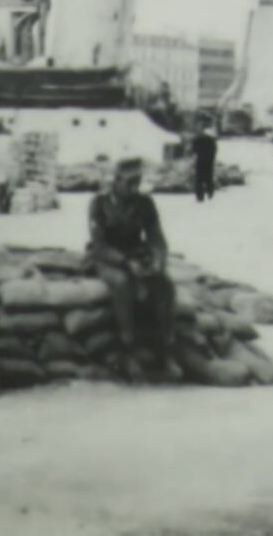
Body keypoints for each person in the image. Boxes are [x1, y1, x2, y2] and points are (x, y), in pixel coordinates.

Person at [85, 157, 178, 382]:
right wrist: (124, 261)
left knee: (164, 285)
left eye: (137, 181)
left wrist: (158, 260)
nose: (134, 187)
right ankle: (127, 347)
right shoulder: (99, 203)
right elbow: (99, 243)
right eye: (129, 182)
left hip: (137, 255)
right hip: (107, 258)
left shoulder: (145, 203)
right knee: (122, 283)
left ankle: (166, 348)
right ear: (116, 181)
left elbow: (156, 235)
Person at [192, 125, 218, 202]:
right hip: (209, 161)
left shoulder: (197, 139)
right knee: (209, 177)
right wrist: (212, 158)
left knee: (199, 179)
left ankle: (200, 196)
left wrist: (197, 154)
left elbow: (194, 150)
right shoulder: (211, 140)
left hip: (200, 160)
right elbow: (214, 150)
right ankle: (210, 193)